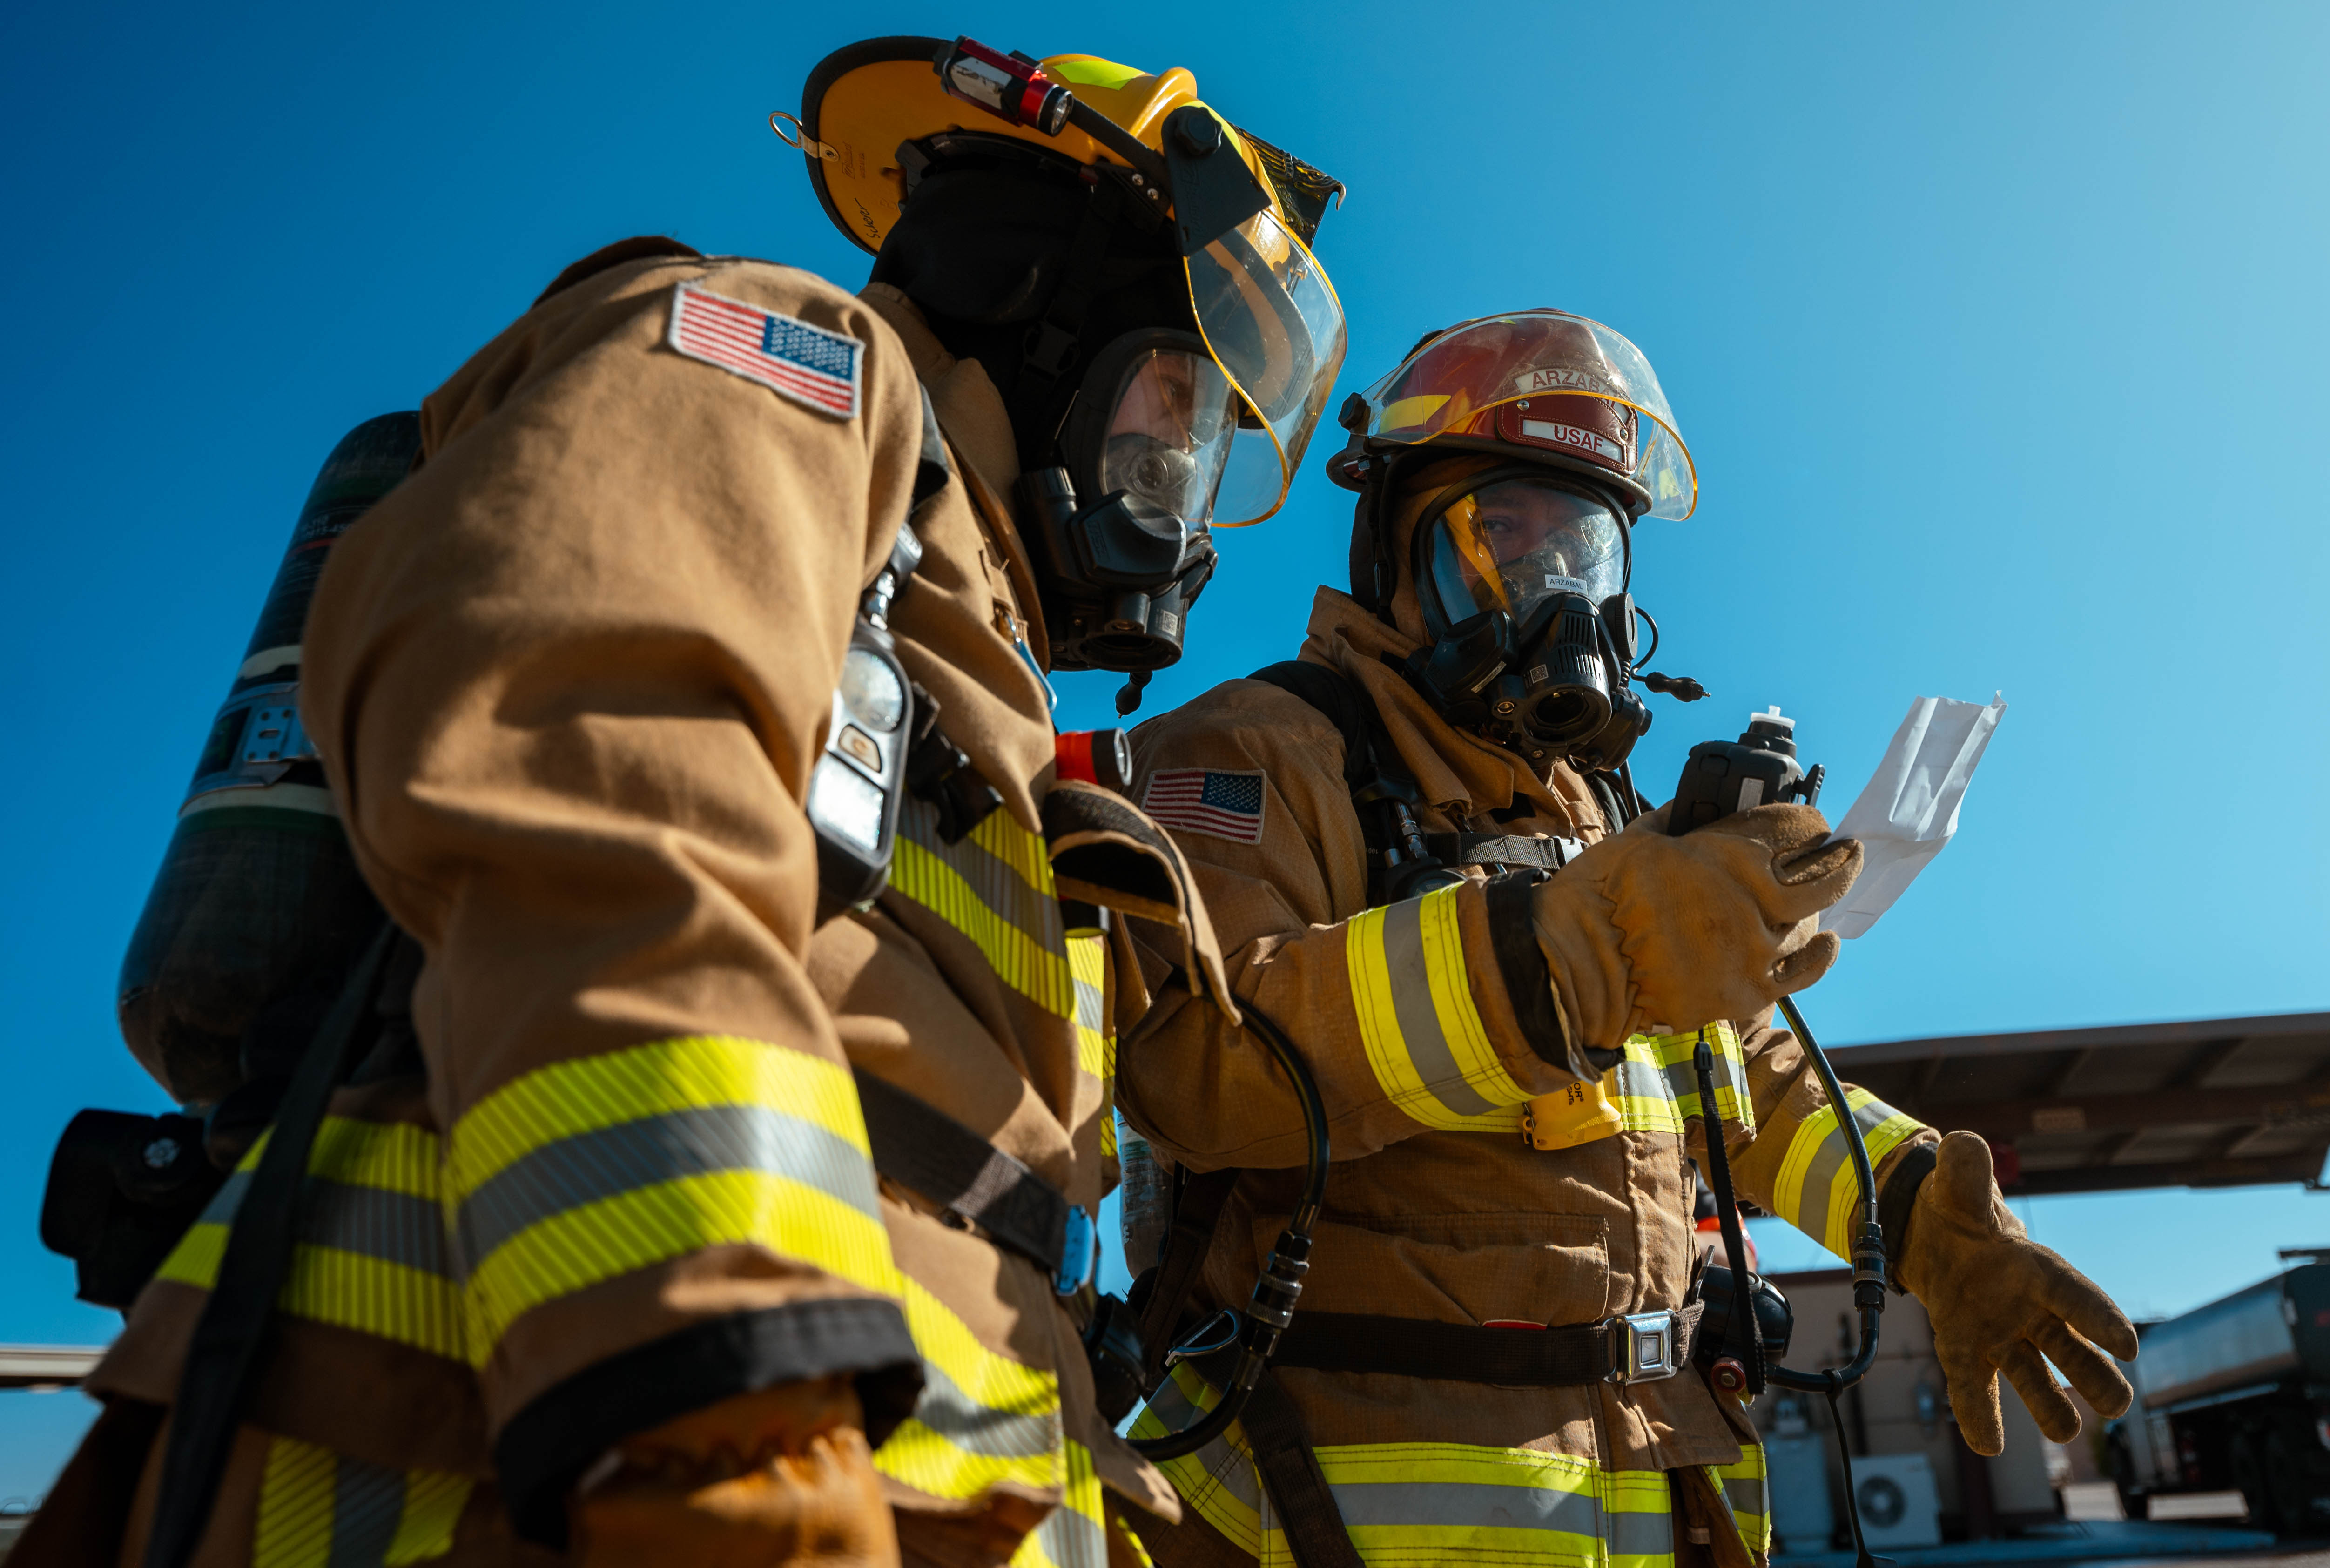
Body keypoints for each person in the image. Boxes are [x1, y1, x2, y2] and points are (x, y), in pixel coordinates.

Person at [26, 38, 1344, 1568]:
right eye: (1178, 401)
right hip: (566, 1469)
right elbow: (582, 754)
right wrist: (722, 1404)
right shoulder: (797, 361)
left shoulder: (977, 666)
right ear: (1039, 292)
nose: (1182, 479)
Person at [1110, 311, 2138, 1567]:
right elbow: (1192, 1064)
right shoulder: (1261, 752)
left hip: (1646, 1500)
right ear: (1395, 549)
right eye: (1502, 537)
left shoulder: (1607, 827)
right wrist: (1566, 959)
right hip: (1317, 1510)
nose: (1552, 590)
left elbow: (1750, 1085)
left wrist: (1924, 1215)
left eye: (1581, 551)